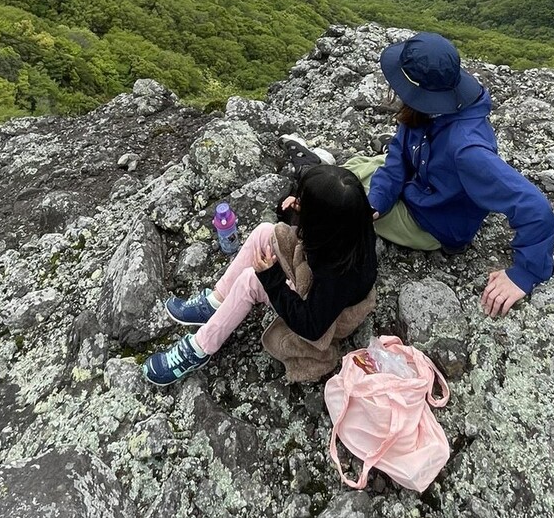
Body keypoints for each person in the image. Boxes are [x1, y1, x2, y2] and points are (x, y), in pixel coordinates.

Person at [347, 32, 554, 317]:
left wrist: (524, 273)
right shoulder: (432, 109)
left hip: (432, 222)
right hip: (424, 184)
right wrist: (379, 201)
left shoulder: (467, 149)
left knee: (345, 199)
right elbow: (398, 152)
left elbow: (537, 209)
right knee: (359, 172)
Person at [143, 164, 378, 386]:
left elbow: (312, 326)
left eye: (305, 205)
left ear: (319, 222)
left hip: (329, 317)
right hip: (319, 278)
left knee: (252, 280)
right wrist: (289, 211)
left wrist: (272, 279)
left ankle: (199, 348)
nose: (299, 202)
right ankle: (216, 302)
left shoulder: (340, 272)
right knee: (264, 232)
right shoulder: (348, 223)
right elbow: (306, 231)